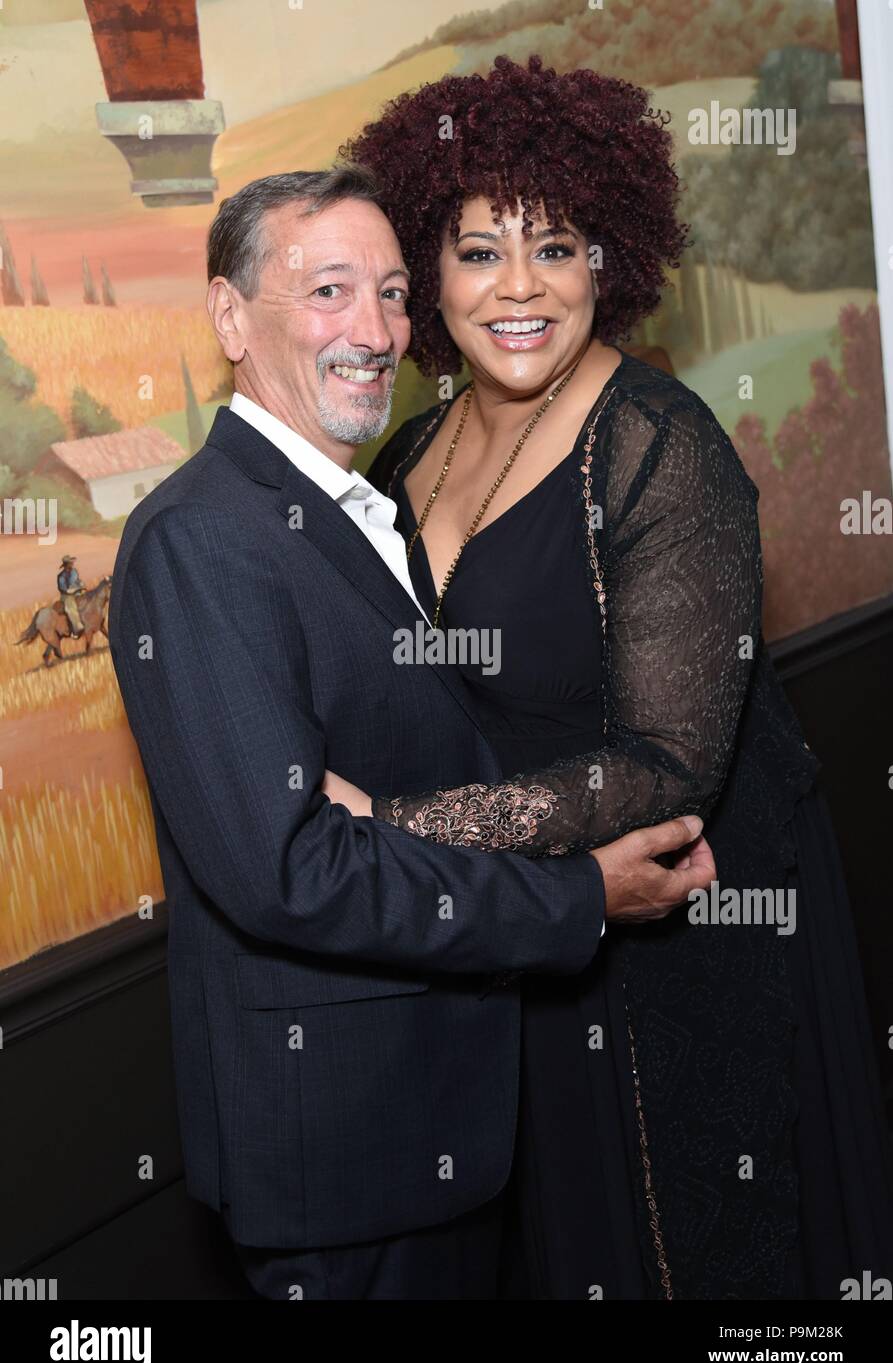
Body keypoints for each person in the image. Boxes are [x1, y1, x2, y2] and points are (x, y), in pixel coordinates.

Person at [329, 55, 893, 1299]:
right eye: (479, 252)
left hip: (678, 914)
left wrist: (394, 837)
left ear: (610, 257)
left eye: (558, 246)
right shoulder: (409, 447)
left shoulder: (656, 442)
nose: (519, 287)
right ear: (428, 270)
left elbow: (670, 765)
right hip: (518, 917)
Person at [108, 167, 711, 1302]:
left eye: (391, 294)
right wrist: (583, 896)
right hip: (343, 1154)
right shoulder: (202, 540)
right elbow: (290, 872)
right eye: (327, 291)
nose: (376, 330)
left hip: (432, 1125)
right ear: (230, 318)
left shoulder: (359, 505)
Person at [57, 555, 85, 637]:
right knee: (70, 606)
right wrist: (73, 590)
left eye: (72, 563)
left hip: (78, 592)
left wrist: (81, 585)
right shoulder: (61, 576)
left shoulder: (74, 572)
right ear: (66, 565)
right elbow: (64, 589)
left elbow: (78, 581)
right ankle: (77, 627)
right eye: (70, 563)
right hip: (66, 596)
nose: (72, 564)